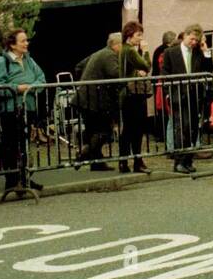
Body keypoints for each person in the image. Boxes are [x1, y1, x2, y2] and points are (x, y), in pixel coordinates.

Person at [0, 28, 47, 195]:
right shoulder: (1, 62)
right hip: (10, 110)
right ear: (12, 45)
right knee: (11, 146)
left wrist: (31, 88)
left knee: (25, 145)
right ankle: (12, 181)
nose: (26, 43)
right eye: (23, 41)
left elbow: (41, 79)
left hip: (28, 109)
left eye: (27, 40)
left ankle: (25, 178)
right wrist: (16, 89)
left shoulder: (29, 60)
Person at [160, 24, 212, 174]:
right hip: (178, 96)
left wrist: (206, 51)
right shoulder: (170, 52)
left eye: (196, 40)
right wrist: (168, 93)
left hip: (195, 95)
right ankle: (179, 162)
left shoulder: (198, 52)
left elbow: (208, 70)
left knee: (193, 129)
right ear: (185, 35)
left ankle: (188, 160)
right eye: (192, 39)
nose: (193, 42)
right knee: (182, 129)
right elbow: (165, 73)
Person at [75, 32, 123, 171]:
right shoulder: (110, 55)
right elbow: (115, 74)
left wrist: (85, 82)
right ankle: (84, 154)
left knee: (93, 131)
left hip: (86, 97)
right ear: (116, 45)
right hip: (94, 99)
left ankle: (96, 163)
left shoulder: (99, 53)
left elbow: (79, 66)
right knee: (104, 130)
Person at [118, 21, 151, 174]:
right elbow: (147, 66)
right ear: (129, 36)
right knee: (136, 129)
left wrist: (138, 72)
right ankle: (137, 161)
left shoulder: (123, 50)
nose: (140, 38)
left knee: (128, 129)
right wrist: (146, 51)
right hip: (134, 95)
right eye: (138, 35)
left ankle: (124, 162)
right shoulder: (130, 50)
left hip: (126, 94)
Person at [151, 31, 176, 141]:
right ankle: (163, 134)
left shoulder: (158, 49)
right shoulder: (166, 52)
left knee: (161, 109)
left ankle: (161, 134)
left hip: (158, 81)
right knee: (165, 109)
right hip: (161, 82)